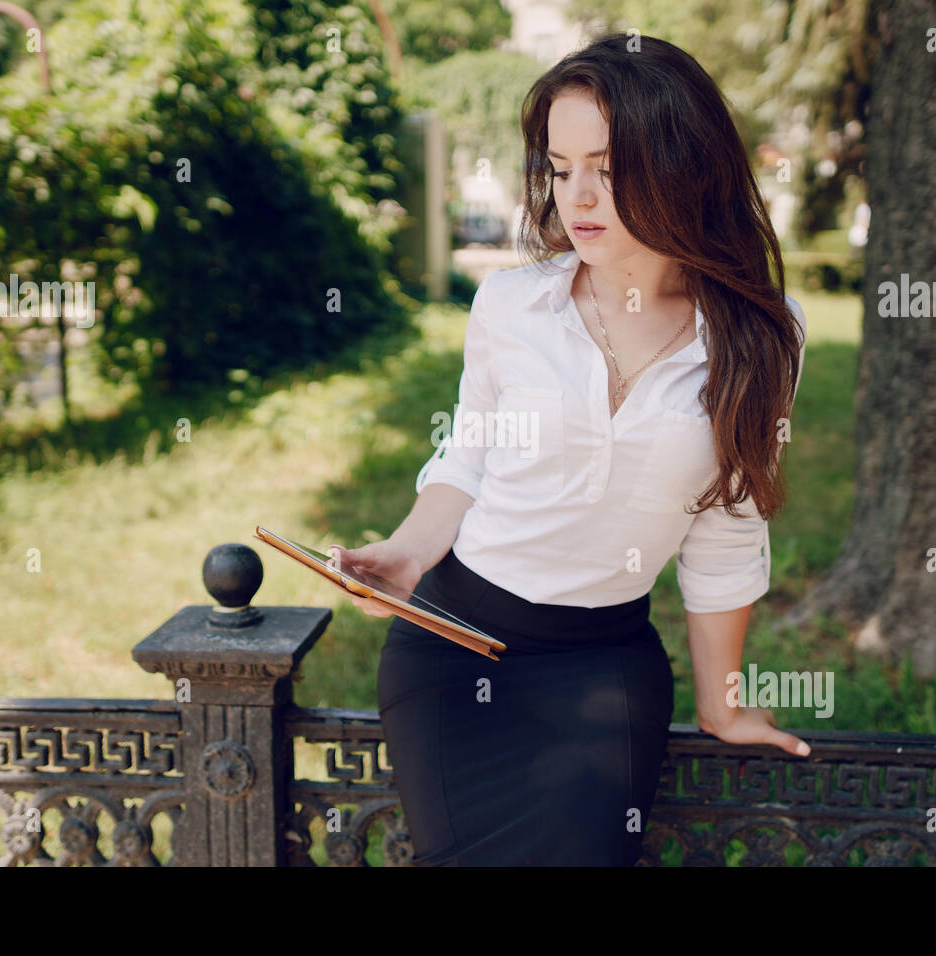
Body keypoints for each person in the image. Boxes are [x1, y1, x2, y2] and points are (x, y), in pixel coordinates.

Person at [329, 33, 809, 866]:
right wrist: (407, 557)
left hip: (600, 670)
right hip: (451, 648)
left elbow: (727, 526)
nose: (577, 197)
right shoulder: (513, 305)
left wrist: (723, 702)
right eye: (560, 166)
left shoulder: (762, 336)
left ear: (683, 165)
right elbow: (468, 454)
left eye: (608, 169)